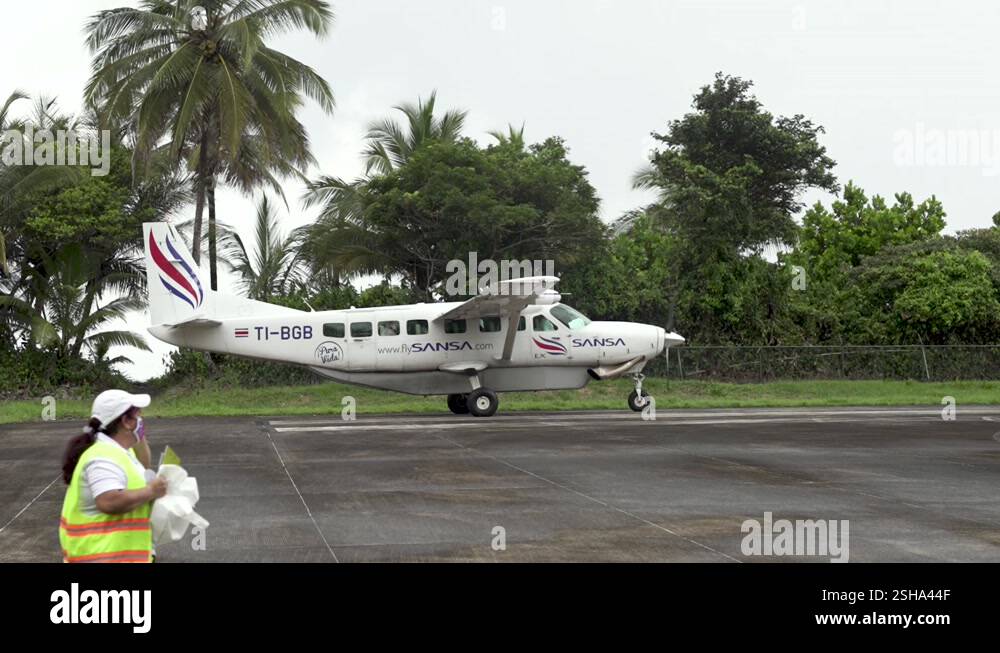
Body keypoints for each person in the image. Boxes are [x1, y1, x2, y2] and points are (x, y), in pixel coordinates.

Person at [59, 390, 167, 563]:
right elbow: (109, 501)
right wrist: (150, 491)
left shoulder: (120, 451)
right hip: (102, 557)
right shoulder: (102, 458)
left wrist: (139, 436)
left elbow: (143, 466)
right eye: (138, 416)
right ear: (125, 421)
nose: (142, 420)